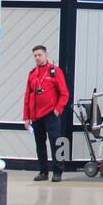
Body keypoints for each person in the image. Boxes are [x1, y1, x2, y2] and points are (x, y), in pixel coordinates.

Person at [23, 44, 70, 181]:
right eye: (35, 55)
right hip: (36, 116)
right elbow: (28, 96)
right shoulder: (32, 74)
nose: (37, 58)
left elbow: (64, 93)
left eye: (39, 55)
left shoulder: (55, 71)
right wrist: (27, 117)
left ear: (46, 54)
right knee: (40, 145)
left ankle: (58, 171)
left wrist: (57, 110)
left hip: (51, 114)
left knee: (56, 143)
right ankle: (43, 171)